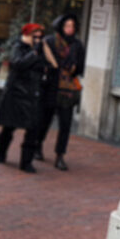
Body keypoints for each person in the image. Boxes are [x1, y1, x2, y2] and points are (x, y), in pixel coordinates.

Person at [0, 23, 49, 173]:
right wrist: (35, 54)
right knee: (9, 128)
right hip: (17, 94)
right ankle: (1, 153)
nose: (38, 39)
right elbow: (18, 64)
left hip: (33, 95)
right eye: (35, 36)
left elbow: (49, 66)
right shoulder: (18, 47)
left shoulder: (40, 50)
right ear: (27, 35)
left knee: (33, 131)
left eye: (40, 36)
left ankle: (26, 162)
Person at [34, 13, 85, 171]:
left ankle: (60, 155)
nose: (70, 29)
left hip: (67, 90)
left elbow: (81, 68)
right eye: (67, 26)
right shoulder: (49, 41)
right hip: (50, 87)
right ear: (61, 26)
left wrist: (74, 68)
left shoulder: (77, 45)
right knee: (44, 120)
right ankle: (37, 146)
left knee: (65, 124)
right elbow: (38, 61)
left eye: (73, 26)